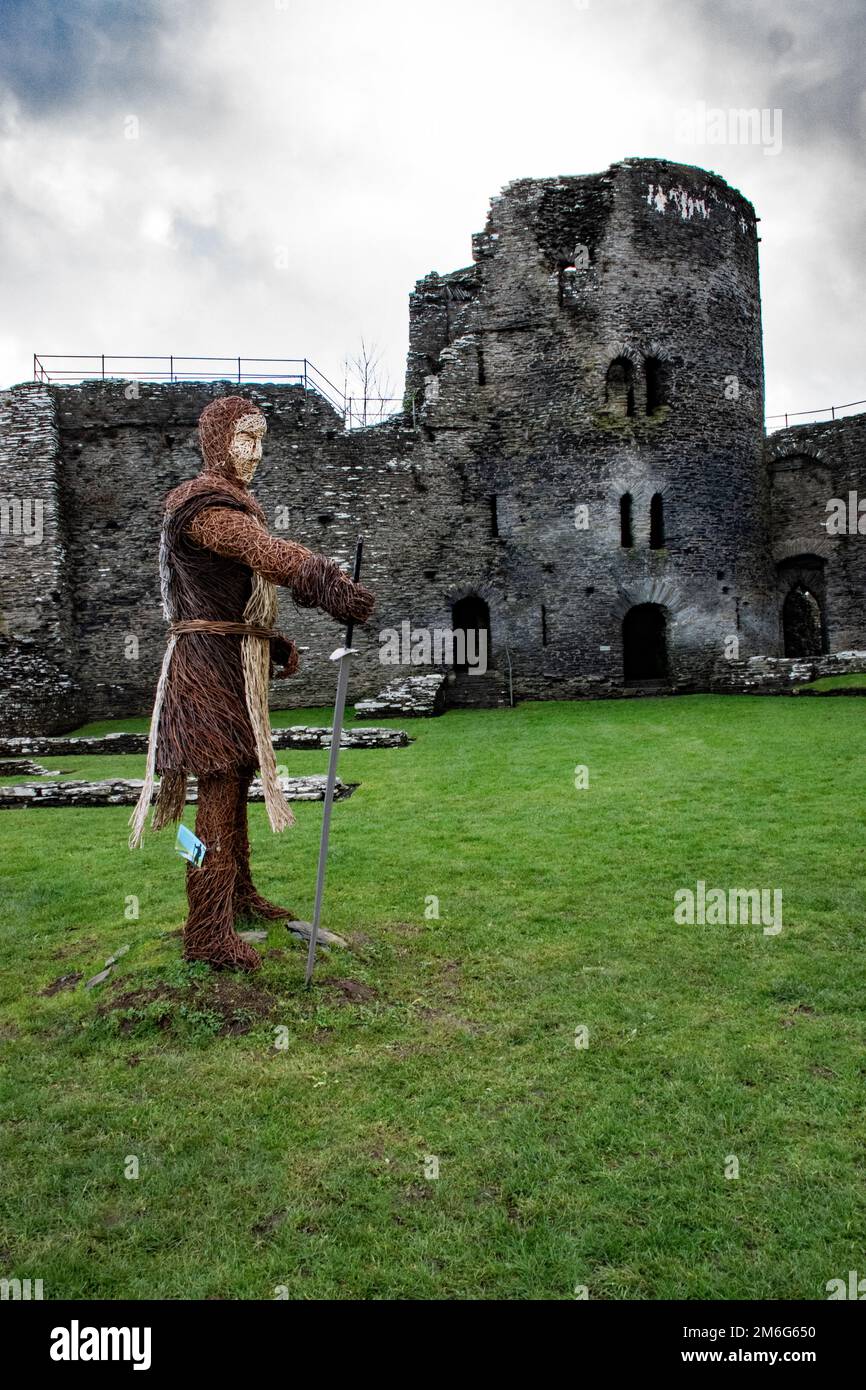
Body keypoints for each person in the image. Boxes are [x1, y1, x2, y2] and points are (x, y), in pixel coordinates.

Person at [129, 394, 374, 971]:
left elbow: (234, 591)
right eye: (245, 437)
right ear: (217, 441)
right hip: (203, 670)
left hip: (228, 658)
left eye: (262, 439)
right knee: (216, 789)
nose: (255, 451)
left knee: (234, 782)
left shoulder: (236, 504)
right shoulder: (203, 507)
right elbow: (263, 553)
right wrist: (324, 579)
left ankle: (235, 894)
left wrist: (269, 642)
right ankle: (206, 930)